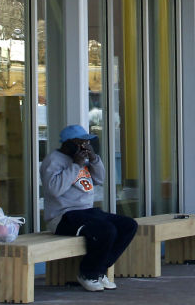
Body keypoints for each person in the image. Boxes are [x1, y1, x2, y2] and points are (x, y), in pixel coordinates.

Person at [41, 124, 138, 292]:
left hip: (87, 212)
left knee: (128, 225)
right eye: (82, 143)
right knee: (105, 230)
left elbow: (100, 179)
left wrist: (94, 159)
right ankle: (88, 273)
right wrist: (76, 165)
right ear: (69, 143)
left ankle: (99, 270)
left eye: (87, 143)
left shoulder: (82, 158)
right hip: (63, 216)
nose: (85, 146)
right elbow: (54, 190)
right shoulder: (53, 160)